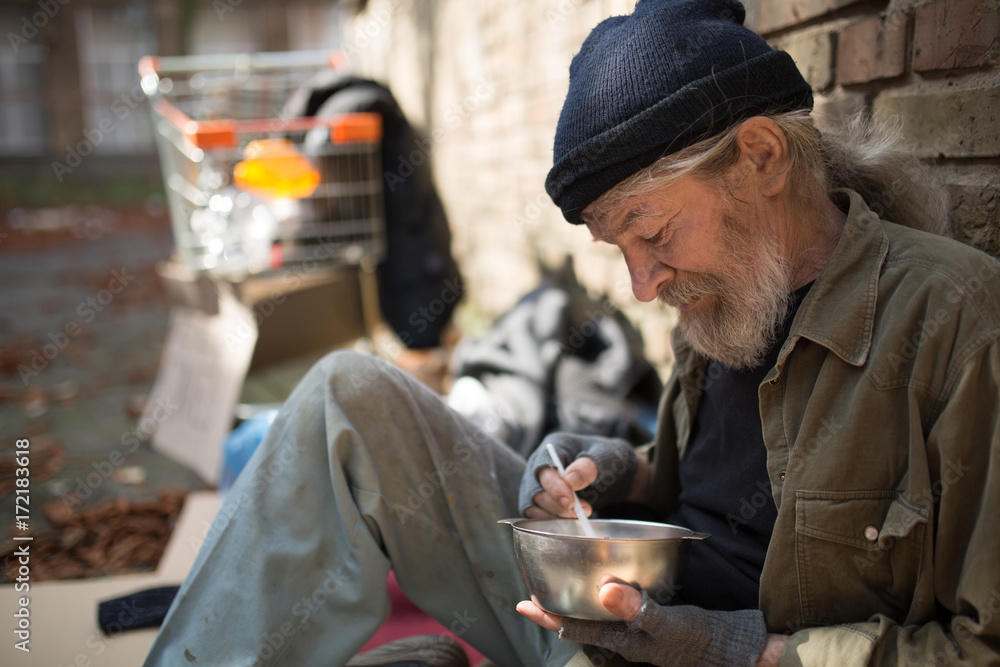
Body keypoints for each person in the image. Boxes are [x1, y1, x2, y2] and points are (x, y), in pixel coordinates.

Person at [144, 0, 1000, 665]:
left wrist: (737, 649)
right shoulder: (723, 299)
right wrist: (622, 471)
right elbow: (716, 494)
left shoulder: (956, 324)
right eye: (619, 249)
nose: (642, 284)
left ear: (762, 157)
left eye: (653, 232)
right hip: (606, 620)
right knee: (349, 395)